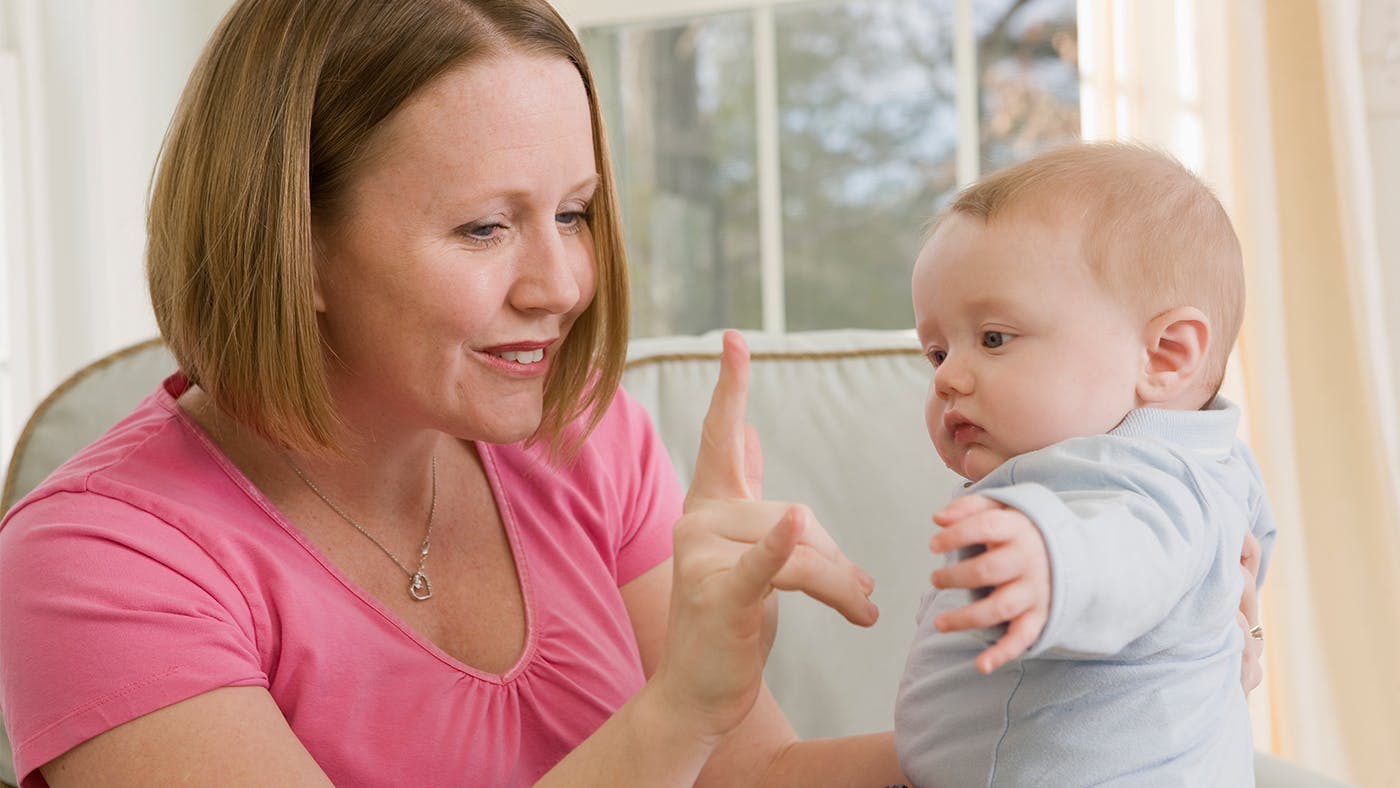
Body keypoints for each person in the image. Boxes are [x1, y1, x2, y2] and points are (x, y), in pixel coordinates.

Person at [0, 1, 901, 785]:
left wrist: (1008, 724)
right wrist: (678, 714)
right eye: (484, 228)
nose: (560, 286)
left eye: (572, 213)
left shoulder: (581, 436)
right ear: (296, 243)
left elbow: (754, 779)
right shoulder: (99, 562)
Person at [894, 142, 1277, 786]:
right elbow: (1243, 554)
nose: (948, 378)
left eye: (993, 338)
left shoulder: (1147, 479)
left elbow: (1122, 550)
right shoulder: (1217, 466)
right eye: (936, 353)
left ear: (1163, 356)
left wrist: (1052, 556)